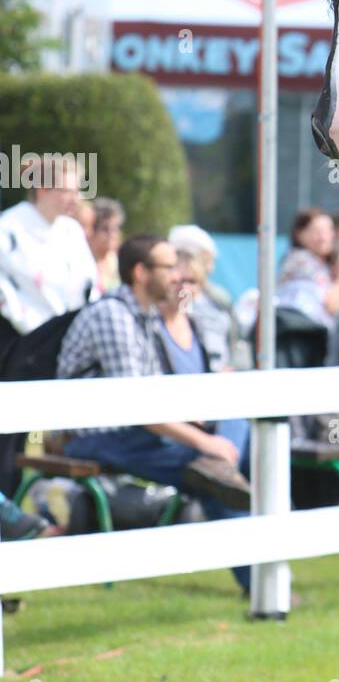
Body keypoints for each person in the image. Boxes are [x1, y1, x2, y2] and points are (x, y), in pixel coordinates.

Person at [55, 234, 254, 594]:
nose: (178, 275)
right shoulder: (113, 316)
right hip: (91, 437)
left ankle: (262, 572)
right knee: (204, 468)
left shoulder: (141, 316)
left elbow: (152, 398)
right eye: (168, 266)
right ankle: (260, 585)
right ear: (140, 272)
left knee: (232, 442)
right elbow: (138, 408)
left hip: (130, 432)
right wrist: (204, 440)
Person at [0, 155, 99, 493]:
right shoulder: (8, 227)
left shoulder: (71, 231)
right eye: (68, 190)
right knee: (9, 436)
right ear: (43, 189)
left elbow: (90, 285)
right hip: (17, 346)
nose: (75, 199)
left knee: (45, 432)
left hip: (64, 344)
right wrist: (30, 326)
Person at [168, 224, 240, 371]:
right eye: (207, 260)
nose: (211, 268)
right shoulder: (179, 302)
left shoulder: (219, 299)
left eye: (191, 281)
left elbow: (234, 340)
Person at [90, 197, 126, 294]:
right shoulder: (83, 261)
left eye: (115, 228)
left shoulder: (120, 261)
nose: (112, 234)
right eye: (105, 229)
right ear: (91, 230)